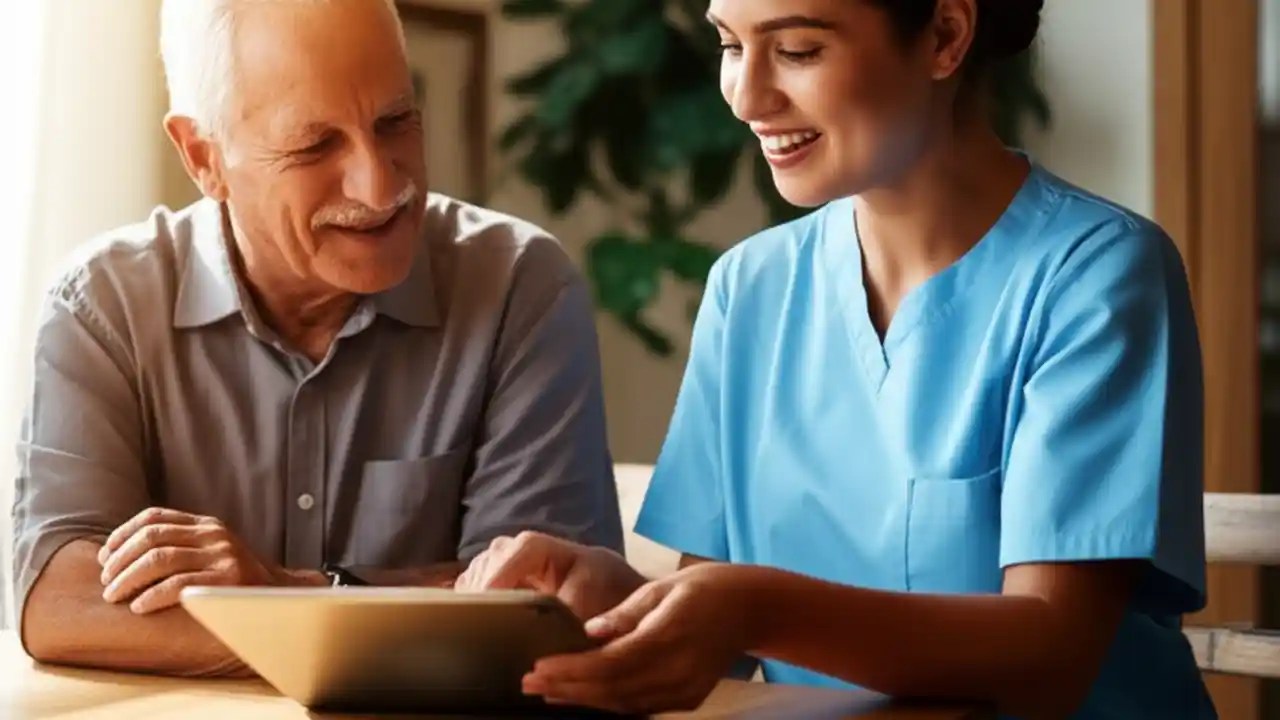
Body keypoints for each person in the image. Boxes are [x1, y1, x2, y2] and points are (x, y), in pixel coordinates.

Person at [457, 0, 1215, 717]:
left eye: (796, 50)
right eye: (728, 44)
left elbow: (1052, 659)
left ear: (946, 35)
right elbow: (725, 636)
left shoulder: (1095, 274)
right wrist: (606, 603)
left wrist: (750, 605)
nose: (746, 96)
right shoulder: (750, 288)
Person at [13, 0, 623, 677]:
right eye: (314, 146)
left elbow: (539, 615)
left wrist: (275, 595)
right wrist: (414, 612)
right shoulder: (105, 304)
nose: (382, 183)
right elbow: (61, 603)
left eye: (396, 121)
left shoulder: (518, 287)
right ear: (202, 156)